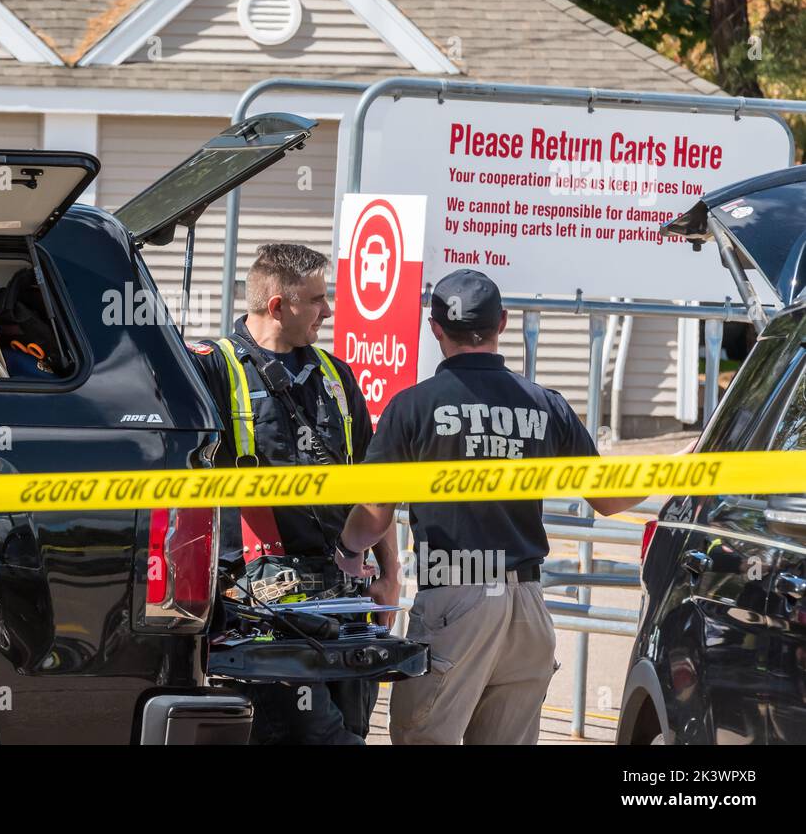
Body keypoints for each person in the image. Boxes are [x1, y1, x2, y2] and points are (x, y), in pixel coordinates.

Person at [333, 269, 647, 745]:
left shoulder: (412, 407)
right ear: (502, 322)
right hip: (526, 605)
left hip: (454, 598)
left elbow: (374, 514)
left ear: (436, 327)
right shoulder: (547, 405)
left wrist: (348, 549)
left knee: (424, 737)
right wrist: (687, 467)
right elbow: (610, 498)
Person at [189, 243, 397, 744]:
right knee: (315, 735)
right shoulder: (212, 369)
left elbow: (375, 483)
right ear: (279, 305)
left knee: (350, 726)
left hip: (344, 596)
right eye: (317, 300)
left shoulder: (335, 375)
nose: (326, 312)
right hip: (261, 600)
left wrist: (389, 576)